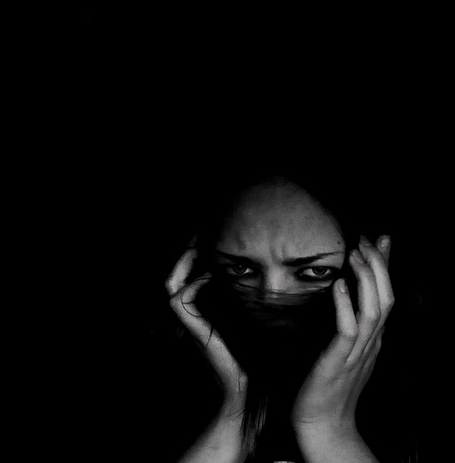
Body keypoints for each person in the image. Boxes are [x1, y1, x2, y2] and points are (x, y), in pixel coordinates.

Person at [147, 173, 420, 463]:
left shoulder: (412, 387)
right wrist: (233, 417)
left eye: (315, 271)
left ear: (373, 275)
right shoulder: (158, 379)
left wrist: (329, 431)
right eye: (241, 269)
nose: (269, 297)